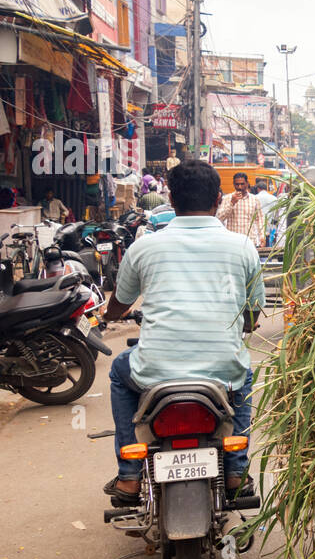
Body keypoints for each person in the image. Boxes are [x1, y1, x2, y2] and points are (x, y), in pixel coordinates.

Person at [101, 160, 265, 504]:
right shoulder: (243, 248)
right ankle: (235, 471)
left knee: (119, 370)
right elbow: (250, 316)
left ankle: (129, 476)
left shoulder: (144, 247)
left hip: (154, 370)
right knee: (244, 375)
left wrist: (110, 314)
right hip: (223, 373)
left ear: (171, 201)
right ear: (218, 200)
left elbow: (119, 304)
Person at [217, 172, 266, 246]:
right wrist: (232, 203)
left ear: (247, 184)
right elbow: (220, 217)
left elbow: (260, 219)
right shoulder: (227, 198)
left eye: (242, 184)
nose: (239, 187)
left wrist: (262, 236)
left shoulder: (254, 199)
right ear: (233, 184)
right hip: (233, 242)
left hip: (250, 241)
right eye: (237, 184)